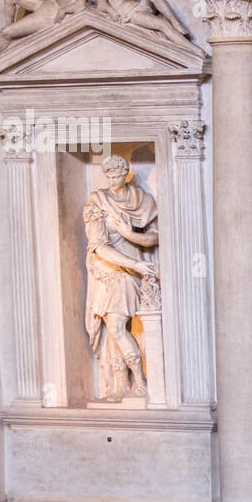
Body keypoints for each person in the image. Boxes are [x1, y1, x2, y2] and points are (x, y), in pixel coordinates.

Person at [84, 154, 159, 402]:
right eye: (108, 175)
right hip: (107, 270)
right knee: (113, 328)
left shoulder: (141, 199)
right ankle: (121, 384)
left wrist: (129, 233)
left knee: (117, 328)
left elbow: (155, 237)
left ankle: (139, 381)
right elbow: (99, 247)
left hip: (131, 272)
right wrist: (136, 264)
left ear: (126, 174)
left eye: (117, 175)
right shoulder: (98, 200)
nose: (113, 179)